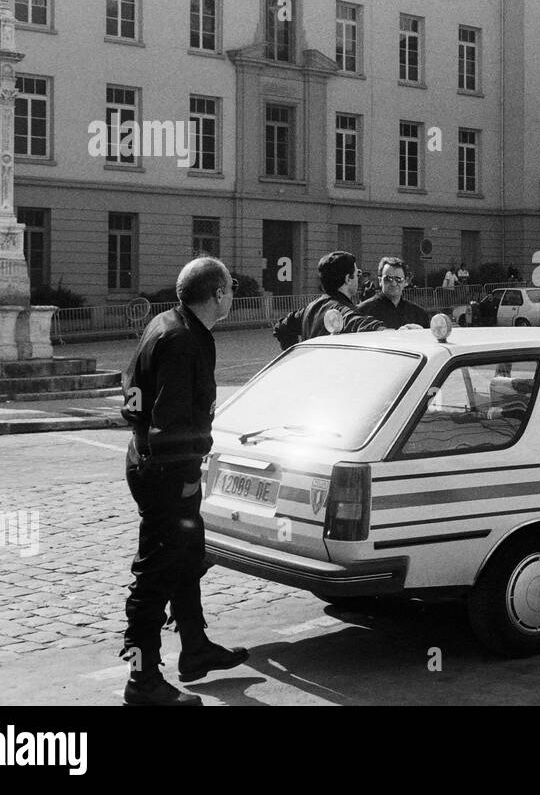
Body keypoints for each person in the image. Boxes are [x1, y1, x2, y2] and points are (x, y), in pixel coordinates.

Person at [120, 257, 248, 706]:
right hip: (167, 474)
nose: (233, 293)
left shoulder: (169, 324)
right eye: (230, 287)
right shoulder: (181, 340)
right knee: (154, 574)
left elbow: (131, 395)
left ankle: (194, 649)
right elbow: (169, 420)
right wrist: (183, 480)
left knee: (187, 558)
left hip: (158, 466)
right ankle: (141, 680)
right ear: (217, 295)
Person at [272, 251, 383, 349]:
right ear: (348, 279)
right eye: (357, 273)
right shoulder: (341, 310)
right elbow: (356, 322)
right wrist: (385, 332)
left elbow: (281, 327)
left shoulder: (310, 308)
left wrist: (296, 354)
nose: (359, 278)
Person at [356, 256, 431, 329]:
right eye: (388, 279)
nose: (393, 283)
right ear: (380, 281)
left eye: (398, 279)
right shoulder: (362, 312)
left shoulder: (419, 314)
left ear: (406, 281)